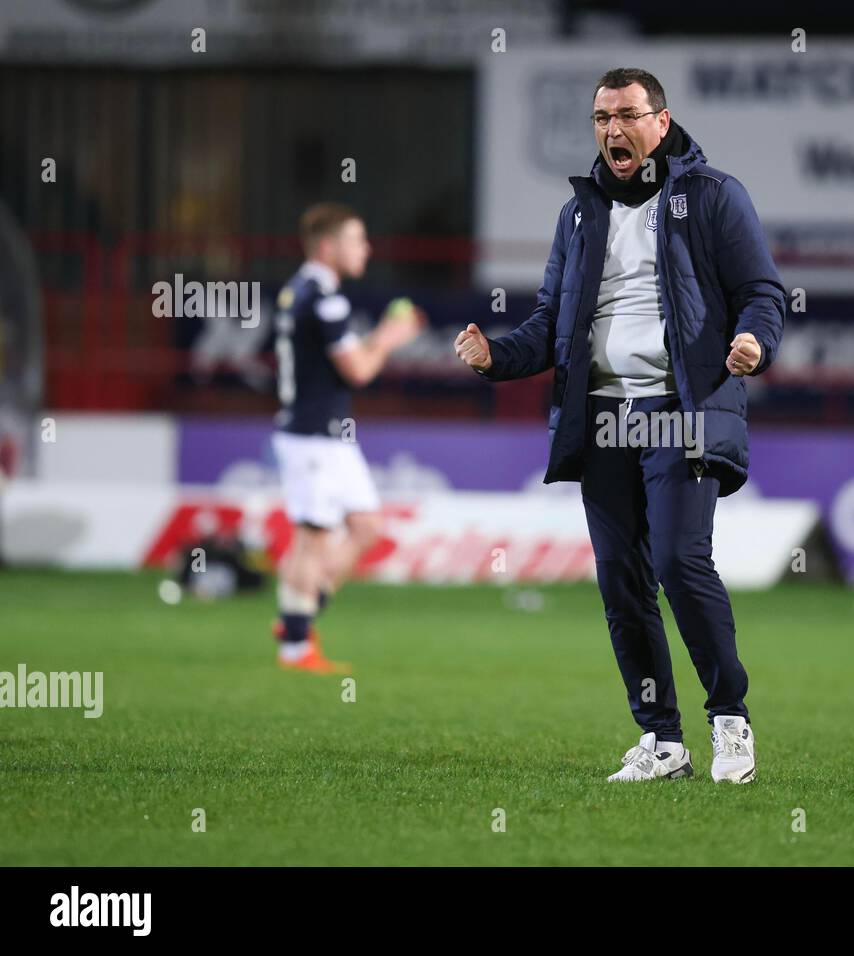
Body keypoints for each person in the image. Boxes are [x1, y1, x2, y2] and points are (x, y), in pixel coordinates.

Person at [455, 68, 785, 783]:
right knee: (622, 581)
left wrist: (755, 341)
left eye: (628, 115)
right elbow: (550, 323)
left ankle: (730, 718)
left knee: (676, 561)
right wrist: (494, 357)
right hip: (601, 415)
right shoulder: (579, 214)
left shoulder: (713, 196)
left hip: (679, 409)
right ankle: (662, 741)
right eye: (602, 118)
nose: (613, 130)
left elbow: (762, 292)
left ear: (661, 123)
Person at [271, 202, 423, 673]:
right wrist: (390, 336)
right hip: (312, 436)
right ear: (327, 246)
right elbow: (357, 370)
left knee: (364, 527)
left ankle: (297, 615)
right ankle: (296, 645)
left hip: (327, 435)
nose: (366, 249)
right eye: (356, 240)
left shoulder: (301, 291)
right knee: (311, 537)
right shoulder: (323, 297)